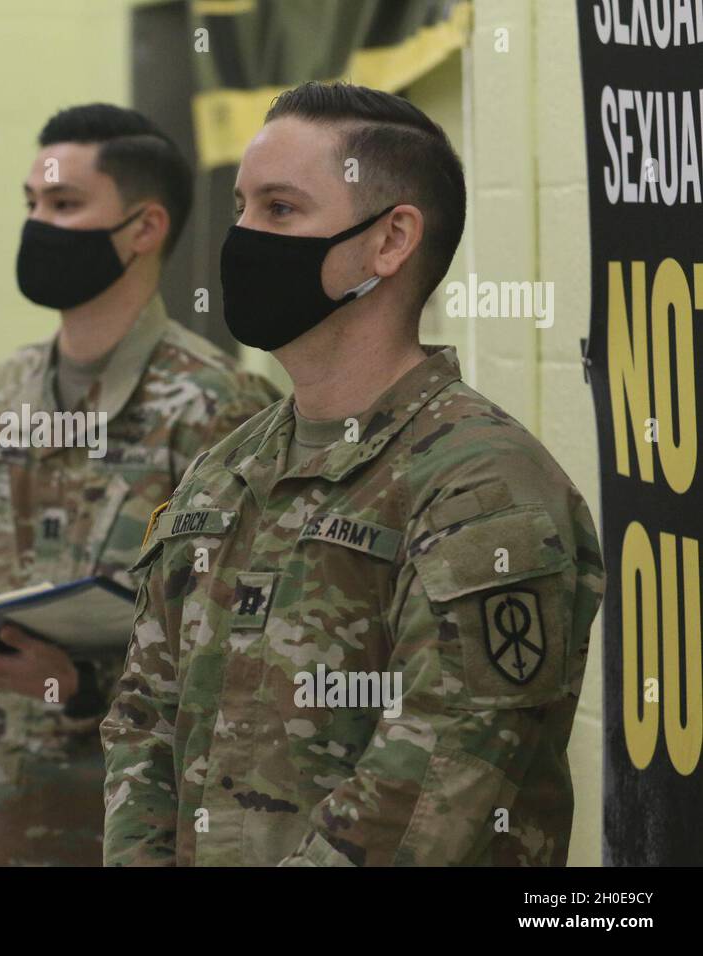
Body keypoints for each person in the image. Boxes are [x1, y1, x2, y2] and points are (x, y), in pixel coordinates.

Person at [101, 82, 606, 867]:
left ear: (390, 240)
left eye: (279, 210)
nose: (241, 238)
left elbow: (435, 786)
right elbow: (143, 723)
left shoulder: (482, 490)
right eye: (240, 207)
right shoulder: (223, 473)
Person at [0, 104, 278, 867]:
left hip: (128, 828)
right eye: (31, 205)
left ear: (145, 228)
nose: (39, 225)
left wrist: (79, 685)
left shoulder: (216, 407)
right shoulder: (2, 394)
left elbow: (245, 655)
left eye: (65, 205)